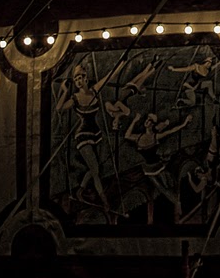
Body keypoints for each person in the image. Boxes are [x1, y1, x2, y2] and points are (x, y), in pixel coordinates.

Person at [55, 57, 156, 213]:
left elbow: (111, 75)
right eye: (75, 79)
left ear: (85, 78)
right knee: (95, 170)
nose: (78, 81)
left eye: (80, 77)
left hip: (96, 134)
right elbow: (59, 108)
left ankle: (81, 190)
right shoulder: (75, 98)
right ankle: (105, 202)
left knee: (96, 168)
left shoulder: (95, 91)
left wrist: (122, 62)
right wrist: (65, 91)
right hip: (83, 135)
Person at [125, 111, 193, 207]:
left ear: (152, 124)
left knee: (170, 184)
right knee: (163, 188)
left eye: (149, 121)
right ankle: (178, 204)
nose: (146, 121)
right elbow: (127, 135)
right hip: (149, 169)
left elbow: (172, 130)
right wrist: (134, 121)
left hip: (158, 166)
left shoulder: (155, 136)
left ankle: (180, 202)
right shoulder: (138, 137)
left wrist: (185, 123)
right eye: (146, 120)